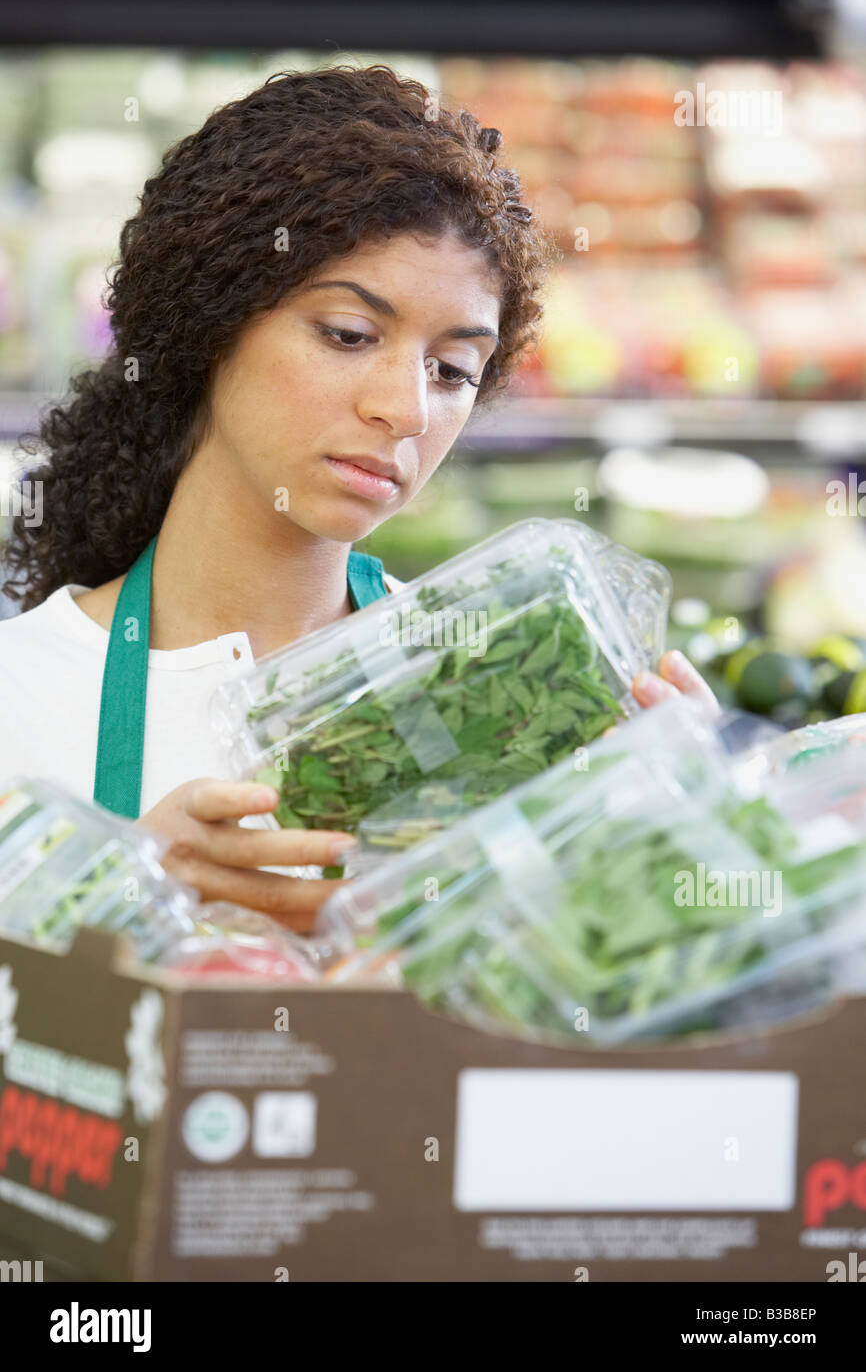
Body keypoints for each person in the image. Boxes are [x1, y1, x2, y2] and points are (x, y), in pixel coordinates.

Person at [0, 65, 716, 930]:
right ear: (206, 322)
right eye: (348, 334)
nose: (406, 409)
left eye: (453, 371)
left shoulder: (516, 697)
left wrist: (672, 827)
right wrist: (121, 895)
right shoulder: (21, 696)